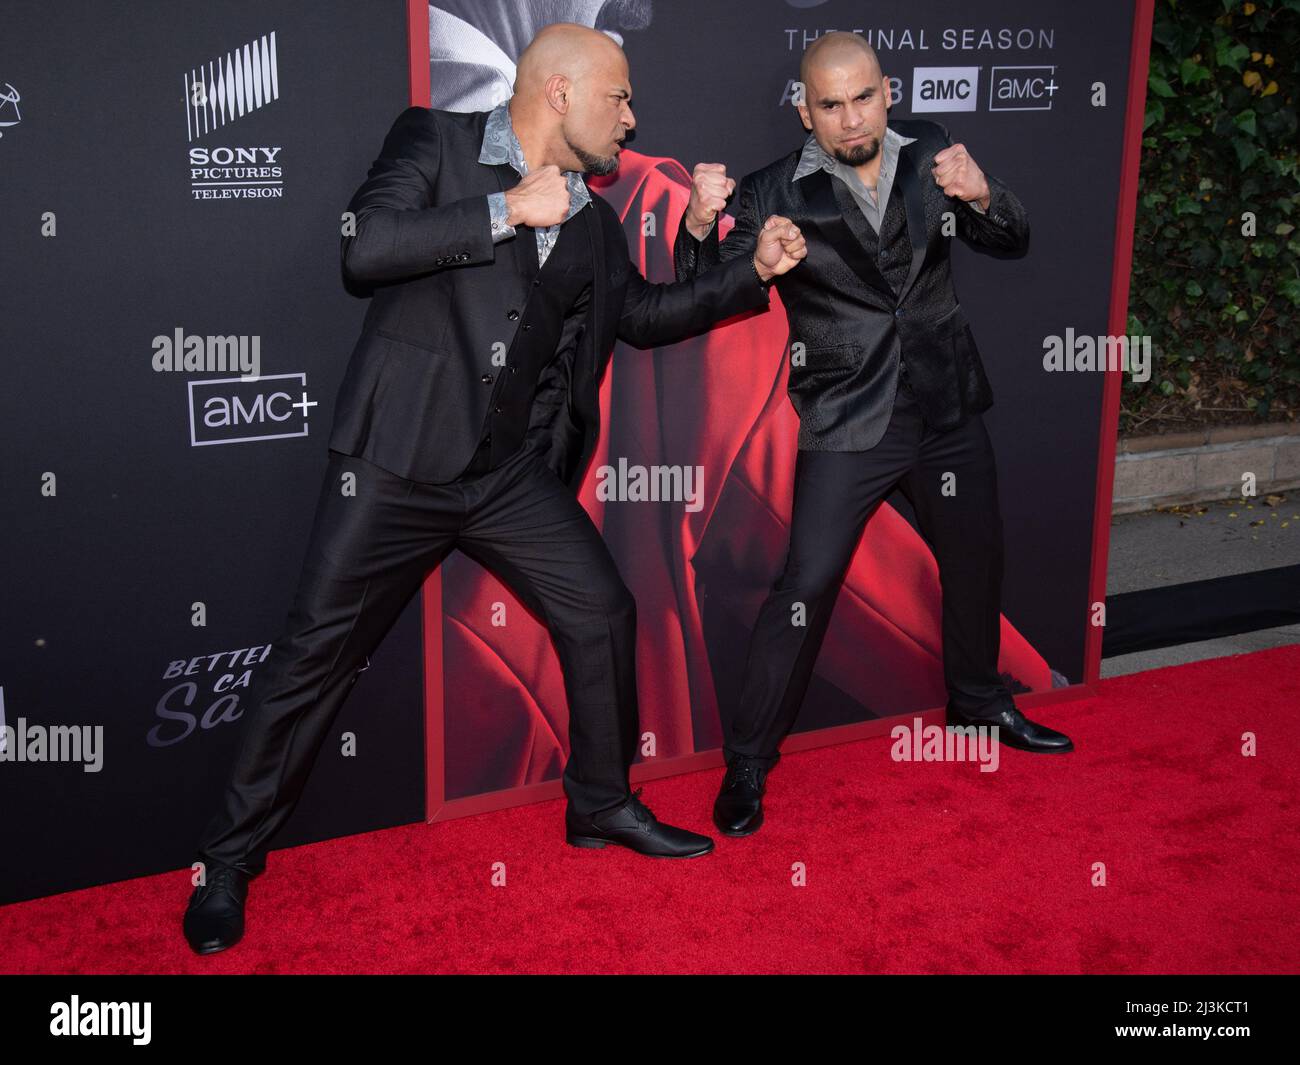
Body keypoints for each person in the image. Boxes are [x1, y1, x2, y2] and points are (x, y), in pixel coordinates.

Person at [182, 21, 806, 955]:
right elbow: (368, 247)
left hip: (504, 474)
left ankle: (599, 802)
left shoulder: (593, 219)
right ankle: (227, 861)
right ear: (559, 93)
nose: (632, 117)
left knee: (600, 612)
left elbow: (637, 315)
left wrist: (745, 271)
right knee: (313, 655)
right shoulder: (434, 141)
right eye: (619, 97)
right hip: (397, 460)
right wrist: (507, 211)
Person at [673, 31, 1074, 838]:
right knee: (805, 588)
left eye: (863, 97)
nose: (851, 119)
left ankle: (978, 700)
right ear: (804, 109)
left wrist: (985, 192)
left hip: (946, 402)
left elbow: (1013, 237)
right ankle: (749, 760)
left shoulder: (931, 150)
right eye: (831, 104)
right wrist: (698, 225)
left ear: (889, 91)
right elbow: (700, 296)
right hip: (849, 419)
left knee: (974, 557)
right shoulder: (771, 191)